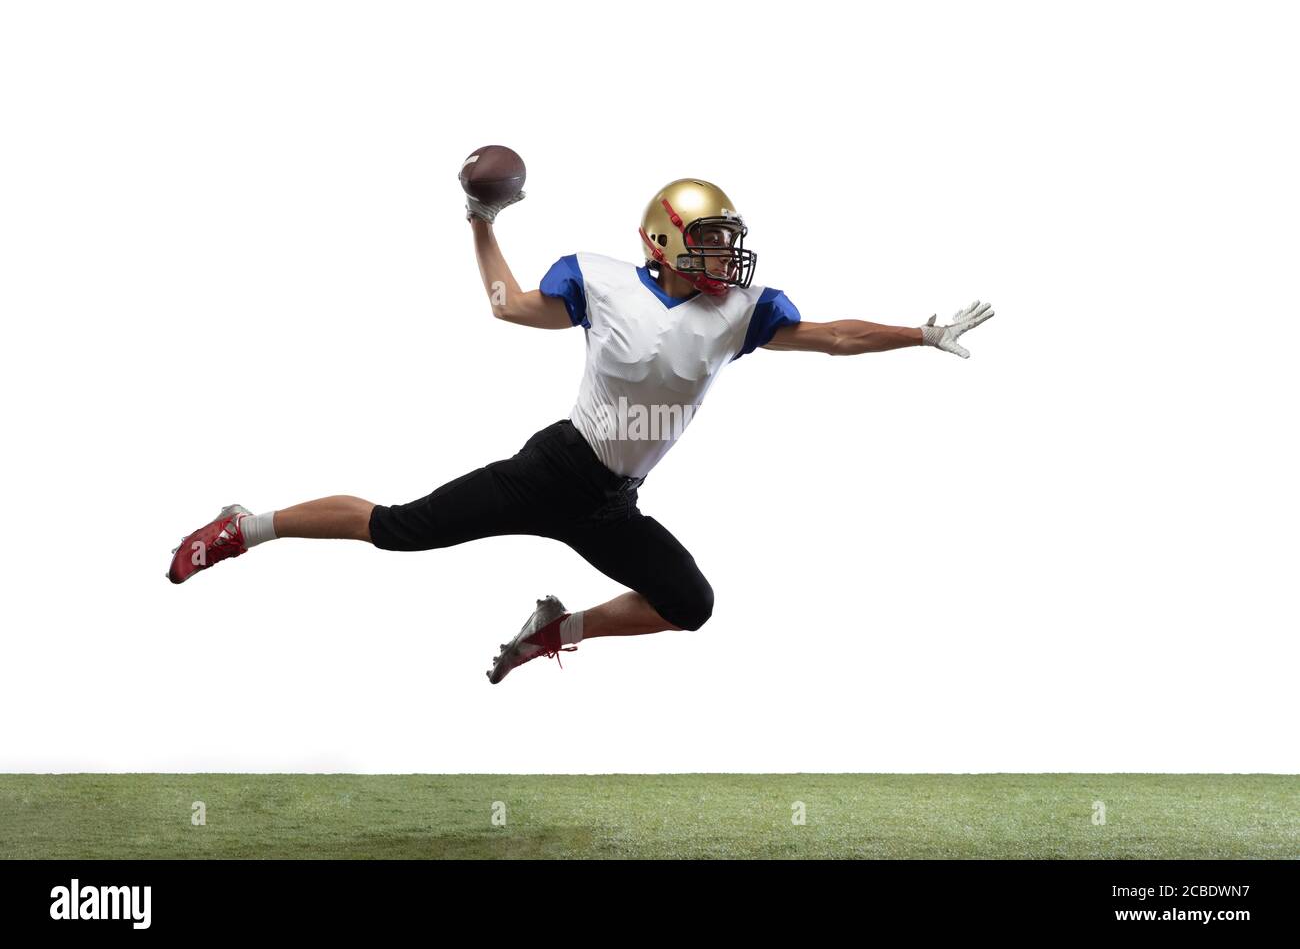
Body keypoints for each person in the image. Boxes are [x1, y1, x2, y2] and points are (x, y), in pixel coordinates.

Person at [166, 177, 995, 684]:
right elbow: (510, 307)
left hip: (612, 504)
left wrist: (918, 334)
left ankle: (554, 632)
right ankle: (248, 526)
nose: (724, 256)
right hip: (553, 469)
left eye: (728, 241)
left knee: (690, 605)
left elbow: (831, 336)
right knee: (399, 530)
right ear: (665, 239)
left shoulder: (741, 312)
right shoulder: (601, 280)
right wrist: (481, 224)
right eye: (709, 239)